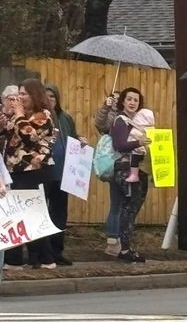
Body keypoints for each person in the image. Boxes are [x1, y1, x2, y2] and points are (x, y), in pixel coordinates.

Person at [6, 79, 56, 268]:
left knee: (31, 215)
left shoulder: (43, 116)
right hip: (16, 170)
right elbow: (9, 135)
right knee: (15, 215)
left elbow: (29, 136)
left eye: (24, 94)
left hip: (34, 171)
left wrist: (18, 115)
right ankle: (16, 259)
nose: (20, 97)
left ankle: (46, 258)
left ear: (35, 95)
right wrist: (8, 114)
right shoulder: (21, 115)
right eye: (19, 93)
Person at [110, 87, 153, 263]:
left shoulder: (137, 122)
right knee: (128, 207)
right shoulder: (120, 121)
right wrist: (139, 141)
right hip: (125, 168)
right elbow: (119, 145)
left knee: (133, 208)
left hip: (139, 168)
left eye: (136, 100)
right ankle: (125, 249)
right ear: (122, 101)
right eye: (129, 99)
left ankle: (124, 246)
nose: (132, 103)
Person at [45, 83, 85, 266]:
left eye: (52, 97)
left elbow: (73, 139)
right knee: (41, 214)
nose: (49, 100)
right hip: (43, 174)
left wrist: (81, 141)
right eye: (46, 96)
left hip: (63, 174)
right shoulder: (37, 118)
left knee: (59, 214)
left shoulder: (65, 118)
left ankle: (57, 251)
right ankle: (41, 253)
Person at [93, 91, 121, 256]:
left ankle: (117, 237)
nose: (117, 100)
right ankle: (113, 239)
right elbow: (100, 123)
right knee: (116, 204)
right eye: (114, 97)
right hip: (114, 160)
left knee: (120, 204)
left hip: (125, 161)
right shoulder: (110, 114)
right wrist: (106, 106)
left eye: (119, 97)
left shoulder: (127, 114)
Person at [0, 86, 20, 269]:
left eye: (16, 98)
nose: (13, 102)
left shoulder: (20, 118)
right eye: (9, 98)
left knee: (8, 216)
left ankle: (10, 258)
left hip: (9, 173)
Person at [124, 108, 154, 183]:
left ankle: (134, 175)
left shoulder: (135, 128)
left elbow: (131, 137)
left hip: (137, 152)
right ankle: (154, 175)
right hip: (146, 154)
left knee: (135, 161)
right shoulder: (151, 131)